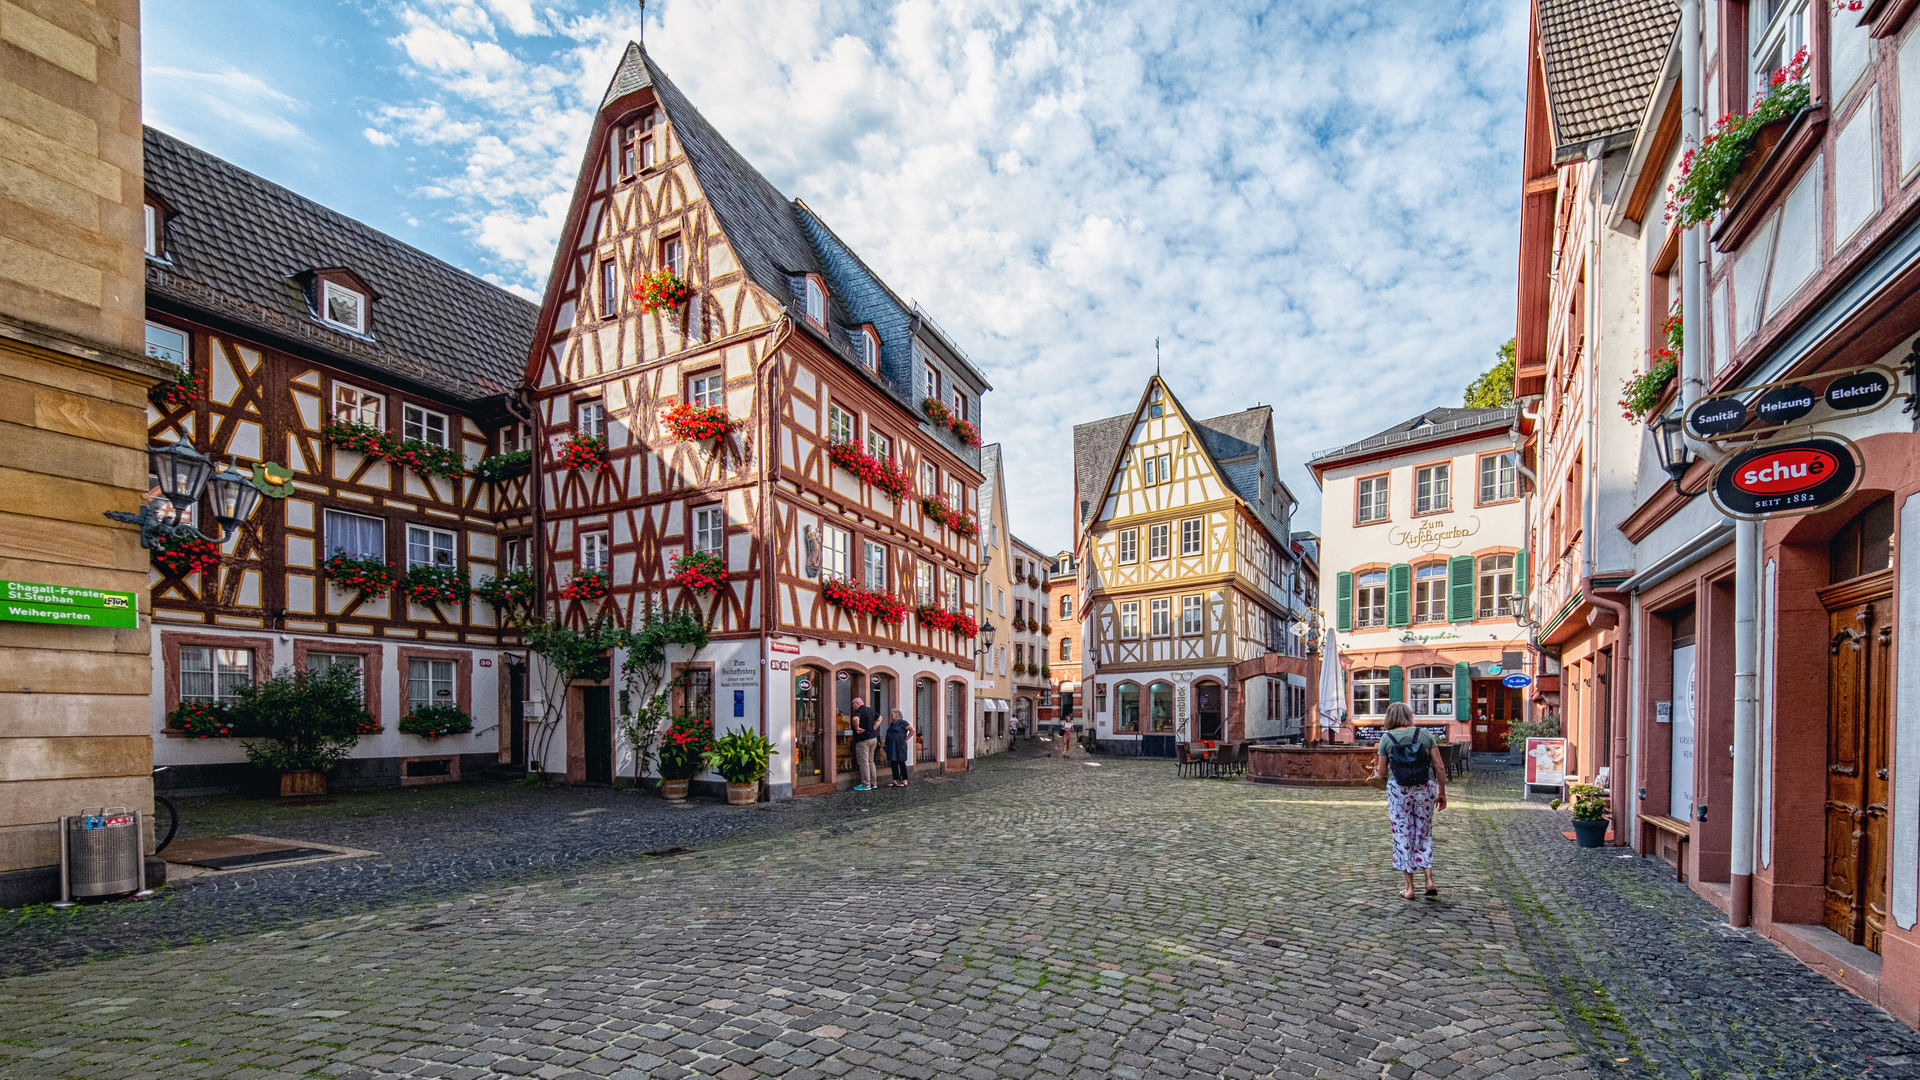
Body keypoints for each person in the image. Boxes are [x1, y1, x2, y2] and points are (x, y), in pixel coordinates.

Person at [1369, 702, 1447, 900]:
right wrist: (1442, 792)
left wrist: (1376, 770)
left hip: (1399, 792)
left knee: (1403, 836)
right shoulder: (1426, 735)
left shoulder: (1386, 738)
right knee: (1424, 832)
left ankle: (1410, 888)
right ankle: (1429, 880)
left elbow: (1382, 772)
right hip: (1425, 788)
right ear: (1409, 715)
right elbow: (1439, 766)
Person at [850, 695, 881, 790]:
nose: (852, 706)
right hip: (873, 738)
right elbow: (880, 718)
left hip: (863, 740)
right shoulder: (870, 710)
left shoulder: (859, 711)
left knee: (864, 762)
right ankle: (873, 783)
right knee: (871, 761)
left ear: (857, 703)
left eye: (853, 704)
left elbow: (855, 719)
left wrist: (856, 728)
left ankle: (865, 784)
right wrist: (874, 728)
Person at [884, 708, 913, 787]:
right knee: (893, 762)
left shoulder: (903, 723)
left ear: (897, 715)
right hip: (892, 746)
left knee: (901, 762)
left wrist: (907, 738)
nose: (891, 716)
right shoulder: (892, 724)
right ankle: (895, 780)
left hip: (900, 746)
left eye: (892, 715)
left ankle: (904, 780)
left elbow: (912, 730)